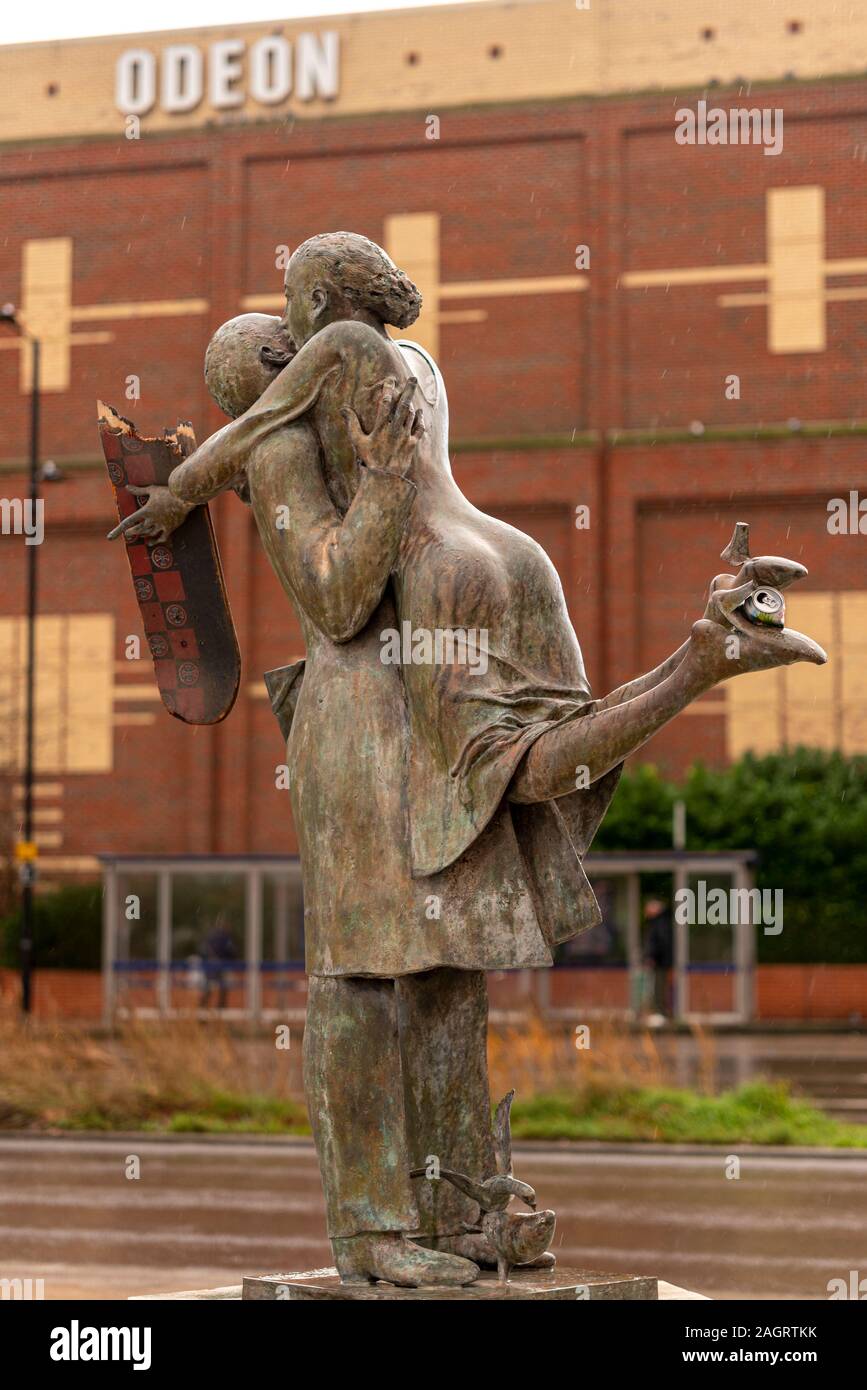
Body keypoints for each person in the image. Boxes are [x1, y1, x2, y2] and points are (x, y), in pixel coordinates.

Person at [111, 232, 826, 1289]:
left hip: (446, 613)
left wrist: (222, 489)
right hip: (366, 709)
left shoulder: (368, 383)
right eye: (270, 353)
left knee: (442, 967)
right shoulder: (289, 441)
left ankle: (450, 1207)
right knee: (366, 976)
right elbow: (337, 598)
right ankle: (371, 1227)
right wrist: (382, 479)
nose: (286, 353)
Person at [643, 898, 673, 1024]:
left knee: (659, 988)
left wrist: (653, 956)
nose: (646, 911)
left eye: (649, 908)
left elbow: (661, 943)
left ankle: (661, 1013)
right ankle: (660, 1012)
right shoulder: (660, 922)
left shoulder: (660, 923)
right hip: (661, 962)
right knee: (658, 987)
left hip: (660, 963)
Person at [200, 914, 238, 1011]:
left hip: (211, 966)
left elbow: (203, 950)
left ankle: (203, 1010)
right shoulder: (225, 937)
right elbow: (232, 951)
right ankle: (220, 1010)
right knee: (222, 988)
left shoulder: (210, 935)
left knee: (209, 989)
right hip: (220, 966)